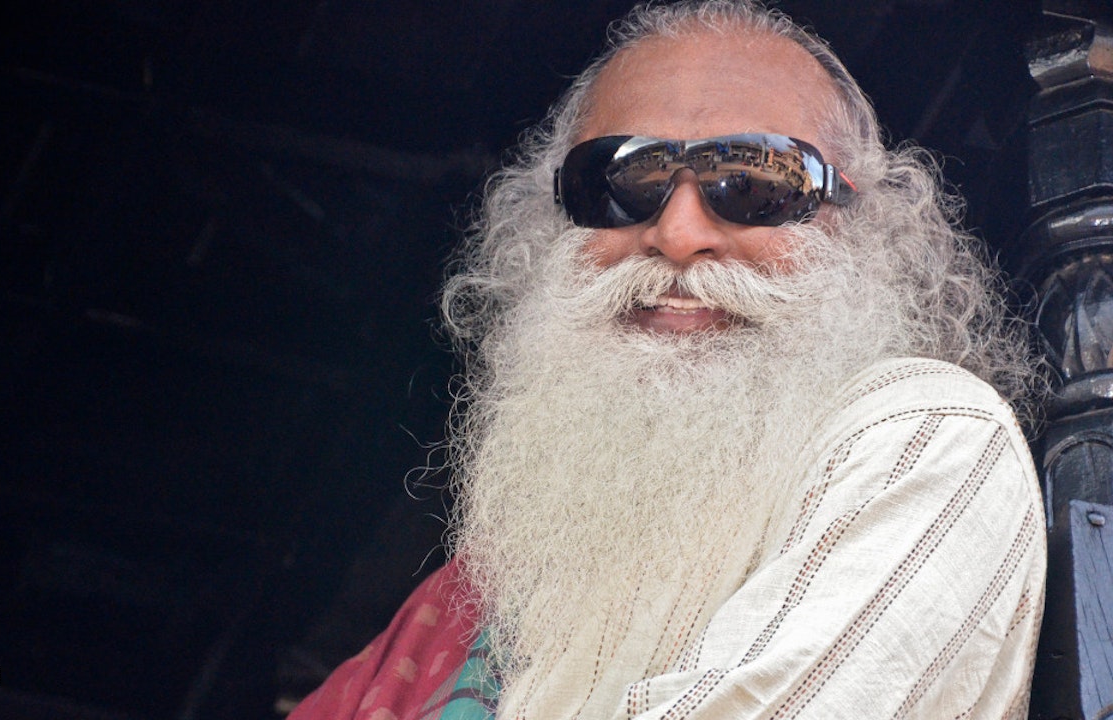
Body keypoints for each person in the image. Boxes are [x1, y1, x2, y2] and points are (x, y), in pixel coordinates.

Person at [287, 1, 1047, 718]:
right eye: (621, 183)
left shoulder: (928, 436)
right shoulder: (491, 596)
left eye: (755, 183)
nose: (679, 235)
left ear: (867, 232)